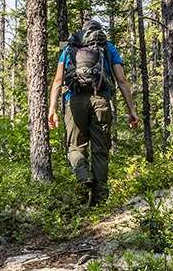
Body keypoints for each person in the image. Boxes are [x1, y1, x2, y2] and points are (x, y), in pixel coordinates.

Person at [48, 19, 140, 206]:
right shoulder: (107, 47)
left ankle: (83, 177)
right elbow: (121, 80)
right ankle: (99, 202)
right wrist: (132, 110)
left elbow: (58, 81)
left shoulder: (69, 48)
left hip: (74, 101)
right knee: (100, 150)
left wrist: (52, 109)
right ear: (99, 32)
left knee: (75, 148)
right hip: (100, 100)